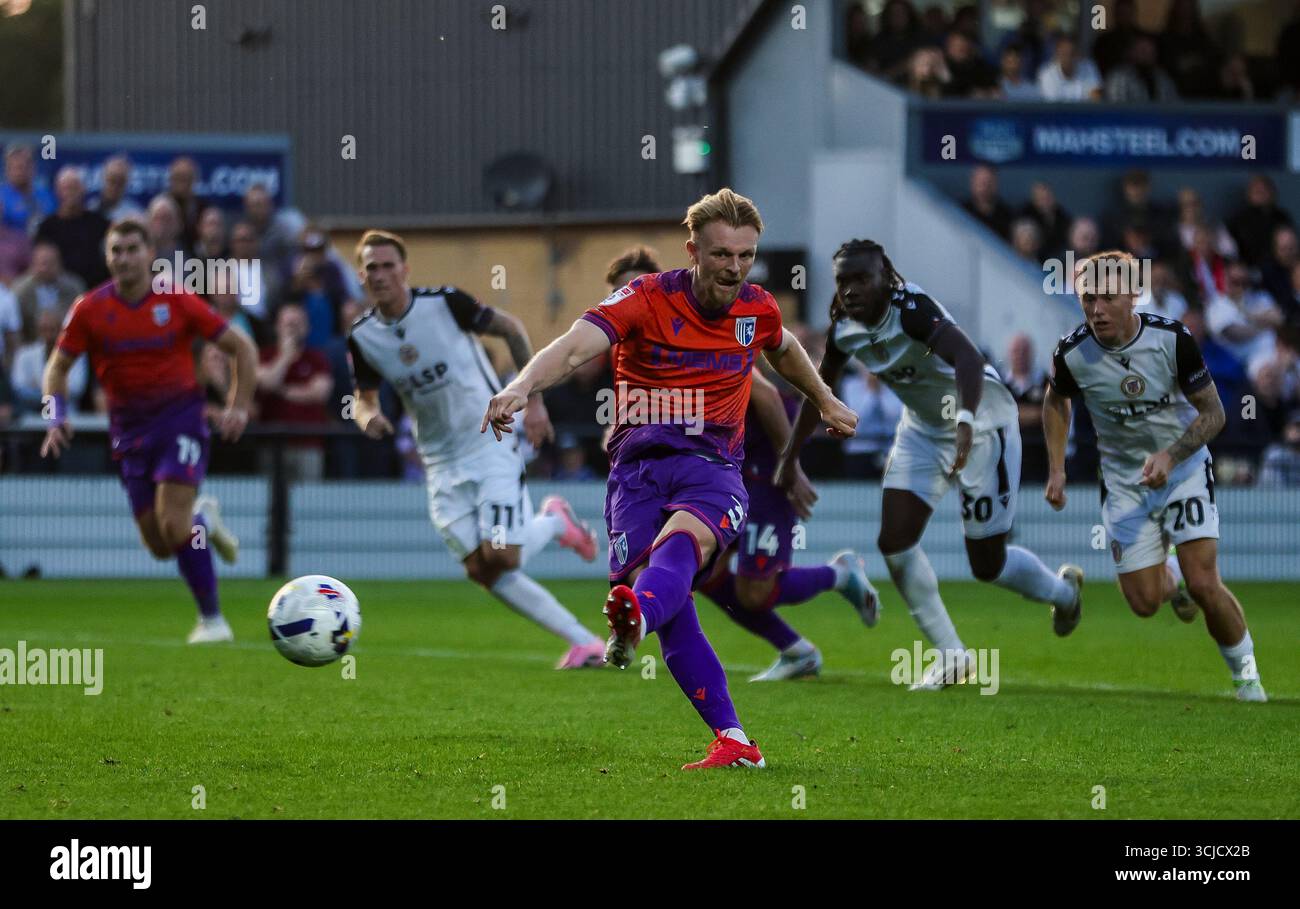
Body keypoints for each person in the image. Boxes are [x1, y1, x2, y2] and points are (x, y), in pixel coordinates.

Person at [481, 189, 858, 769]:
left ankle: (635, 621)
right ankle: (734, 740)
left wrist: (826, 399)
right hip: (635, 472)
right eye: (721, 255)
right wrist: (519, 387)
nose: (733, 268)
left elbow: (782, 351)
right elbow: (574, 348)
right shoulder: (644, 299)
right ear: (692, 251)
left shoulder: (757, 308)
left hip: (711, 469)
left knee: (681, 545)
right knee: (669, 598)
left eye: (745, 255)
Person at [777, 238, 1082, 691]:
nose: (851, 289)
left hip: (982, 425)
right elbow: (820, 391)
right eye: (844, 280)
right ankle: (952, 655)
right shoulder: (843, 325)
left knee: (986, 564)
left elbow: (968, 358)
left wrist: (964, 422)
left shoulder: (912, 308)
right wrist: (790, 457)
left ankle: (1063, 593)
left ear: (886, 278)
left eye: (862, 279)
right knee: (895, 541)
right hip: (922, 430)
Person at [600, 246, 877, 685]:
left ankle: (839, 577)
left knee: (752, 591)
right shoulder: (633, 348)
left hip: (755, 468)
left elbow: (766, 397)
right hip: (700, 470)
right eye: (612, 297)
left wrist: (790, 468)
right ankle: (795, 650)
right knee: (695, 574)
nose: (617, 308)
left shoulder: (694, 329)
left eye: (624, 293)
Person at [346, 229, 606, 670]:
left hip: (492, 439)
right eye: (372, 267)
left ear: (405, 270)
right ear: (361, 275)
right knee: (482, 571)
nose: (381, 274)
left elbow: (511, 328)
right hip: (439, 461)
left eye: (389, 265)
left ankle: (552, 522)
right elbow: (363, 397)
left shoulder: (445, 303)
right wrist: (366, 417)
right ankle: (586, 643)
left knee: (503, 553)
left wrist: (535, 399)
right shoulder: (363, 337)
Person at [1043, 250, 1267, 702]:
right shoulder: (1071, 352)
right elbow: (1055, 401)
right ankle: (1172, 579)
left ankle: (1248, 681)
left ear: (1132, 295)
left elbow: (1214, 413)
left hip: (1182, 469)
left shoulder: (1173, 339)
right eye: (1088, 299)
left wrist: (1172, 453)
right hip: (1124, 483)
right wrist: (1057, 469)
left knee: (1206, 583)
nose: (1096, 310)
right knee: (1145, 603)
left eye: (1107, 298)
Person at [39, 218, 257, 643]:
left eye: (132, 249)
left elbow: (242, 348)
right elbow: (57, 368)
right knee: (160, 545)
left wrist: (239, 407)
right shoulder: (89, 308)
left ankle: (213, 621)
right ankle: (203, 524)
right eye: (116, 251)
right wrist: (54, 414)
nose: (124, 258)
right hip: (128, 433)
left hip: (181, 421)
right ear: (107, 257)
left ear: (149, 254)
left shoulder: (177, 299)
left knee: (174, 527)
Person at [255, 302, 333, 481]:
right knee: (272, 502)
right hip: (272, 445)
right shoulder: (264, 355)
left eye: (298, 324)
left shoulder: (317, 359)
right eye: (288, 324)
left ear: (306, 328)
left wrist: (281, 391)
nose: (293, 329)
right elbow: (266, 383)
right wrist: (285, 357)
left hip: (308, 444)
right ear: (277, 327)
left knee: (309, 501)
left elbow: (320, 393)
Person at [34, 167, 110, 289]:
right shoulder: (46, 227)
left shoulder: (100, 223)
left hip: (96, 289)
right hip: (61, 292)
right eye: (66, 188)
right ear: (57, 192)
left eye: (74, 188)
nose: (70, 193)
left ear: (83, 190)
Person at [1036, 33, 1102, 102]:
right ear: (1056, 55)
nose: (1068, 58)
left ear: (1078, 54)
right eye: (1064, 54)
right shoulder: (1046, 73)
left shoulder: (1089, 67)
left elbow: (1096, 99)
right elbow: (1052, 108)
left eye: (1072, 53)